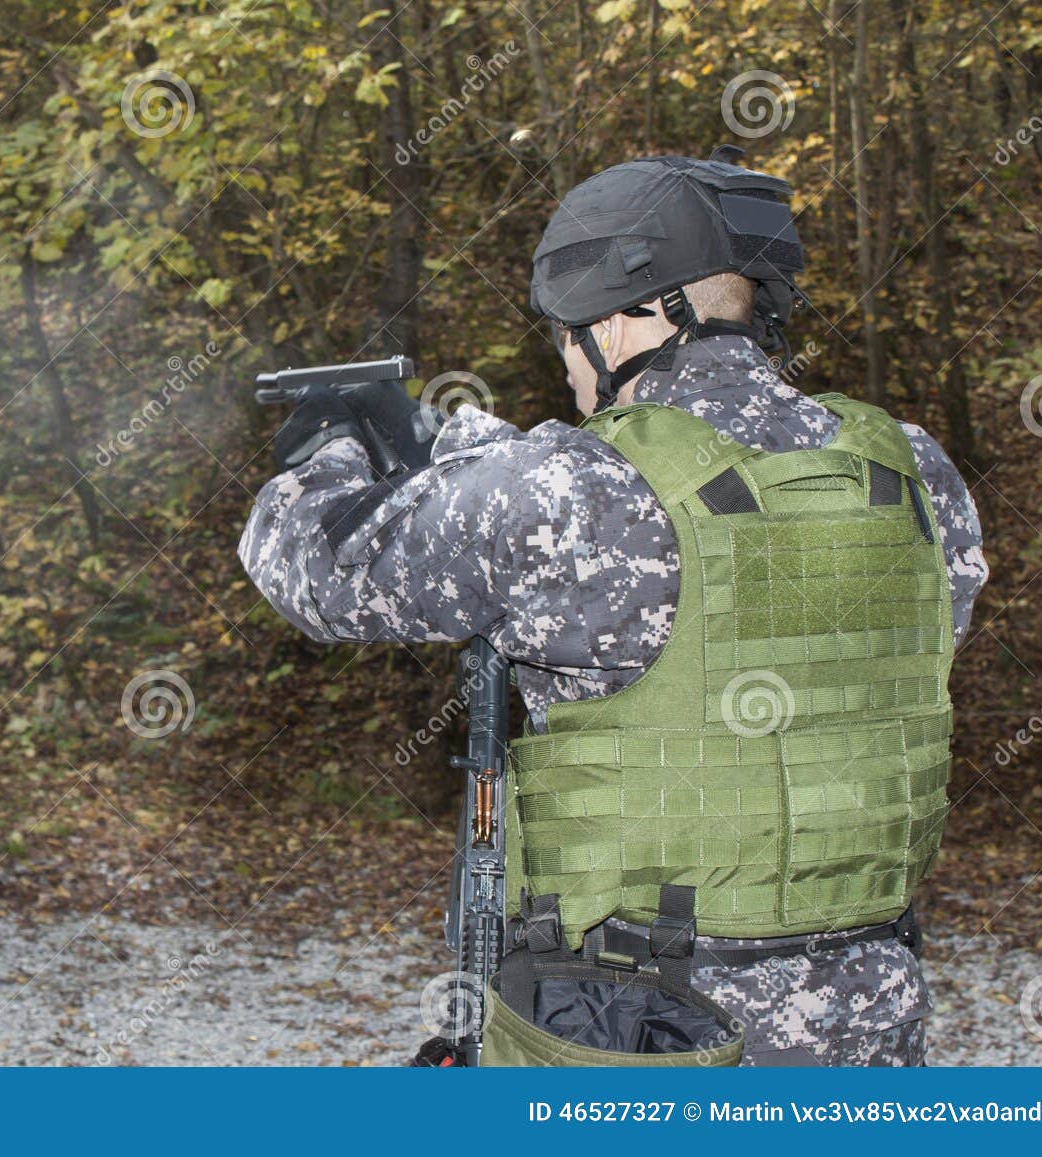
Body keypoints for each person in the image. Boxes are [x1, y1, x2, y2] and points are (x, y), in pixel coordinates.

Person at [239, 150, 987, 1066]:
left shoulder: (568, 490)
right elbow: (684, 542)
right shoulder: (910, 468)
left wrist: (329, 450)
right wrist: (458, 450)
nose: (564, 360)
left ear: (632, 314)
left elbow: (311, 563)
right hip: (872, 1022)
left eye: (566, 333)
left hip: (644, 1030)